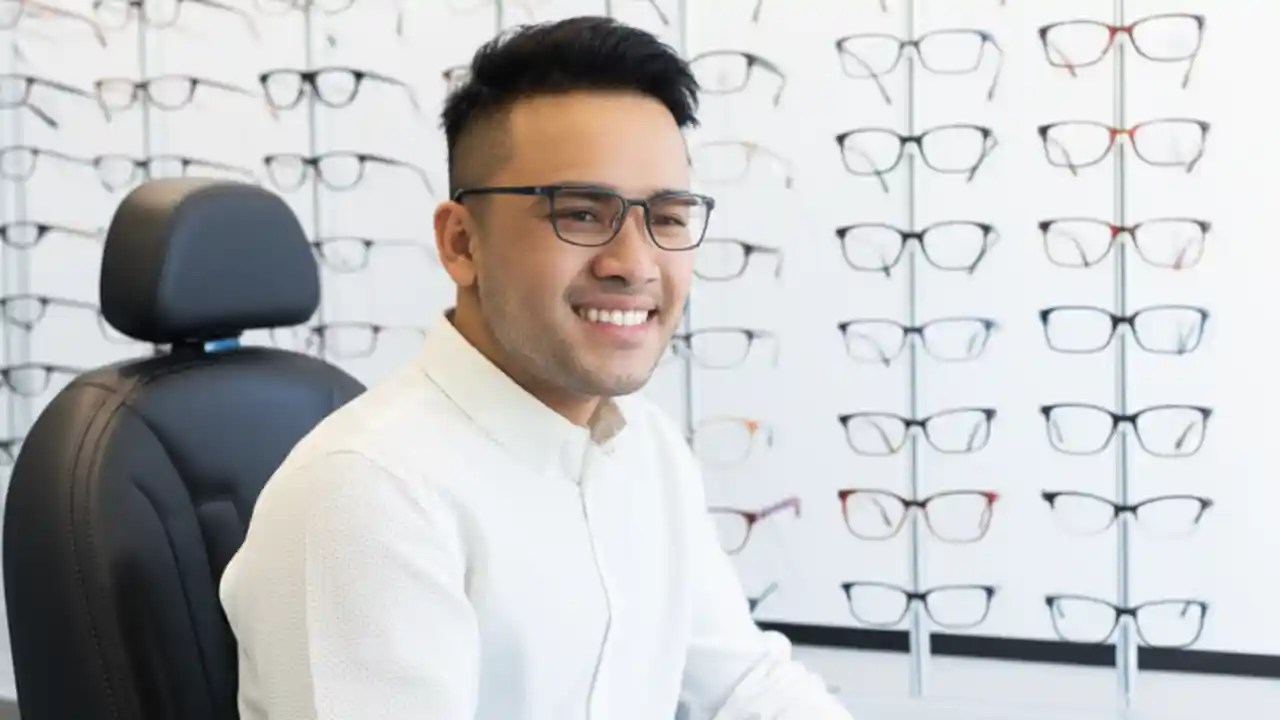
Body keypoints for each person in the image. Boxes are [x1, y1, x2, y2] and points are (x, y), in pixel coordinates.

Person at [218, 15, 852, 720]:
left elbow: (746, 688)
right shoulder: (367, 496)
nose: (635, 265)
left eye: (667, 219)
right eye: (581, 214)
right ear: (462, 243)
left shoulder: (647, 450)